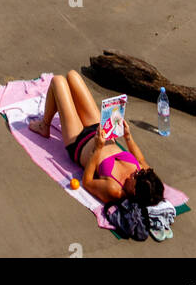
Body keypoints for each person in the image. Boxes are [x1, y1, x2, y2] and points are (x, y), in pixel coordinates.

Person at [28, 68, 164, 208]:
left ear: (134, 192)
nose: (134, 173)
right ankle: (55, 112)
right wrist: (128, 137)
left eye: (134, 178)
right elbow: (140, 160)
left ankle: (45, 125)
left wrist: (98, 149)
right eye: (138, 172)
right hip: (102, 131)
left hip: (79, 141)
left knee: (58, 81)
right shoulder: (144, 175)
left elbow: (87, 182)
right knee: (73, 76)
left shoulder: (114, 190)